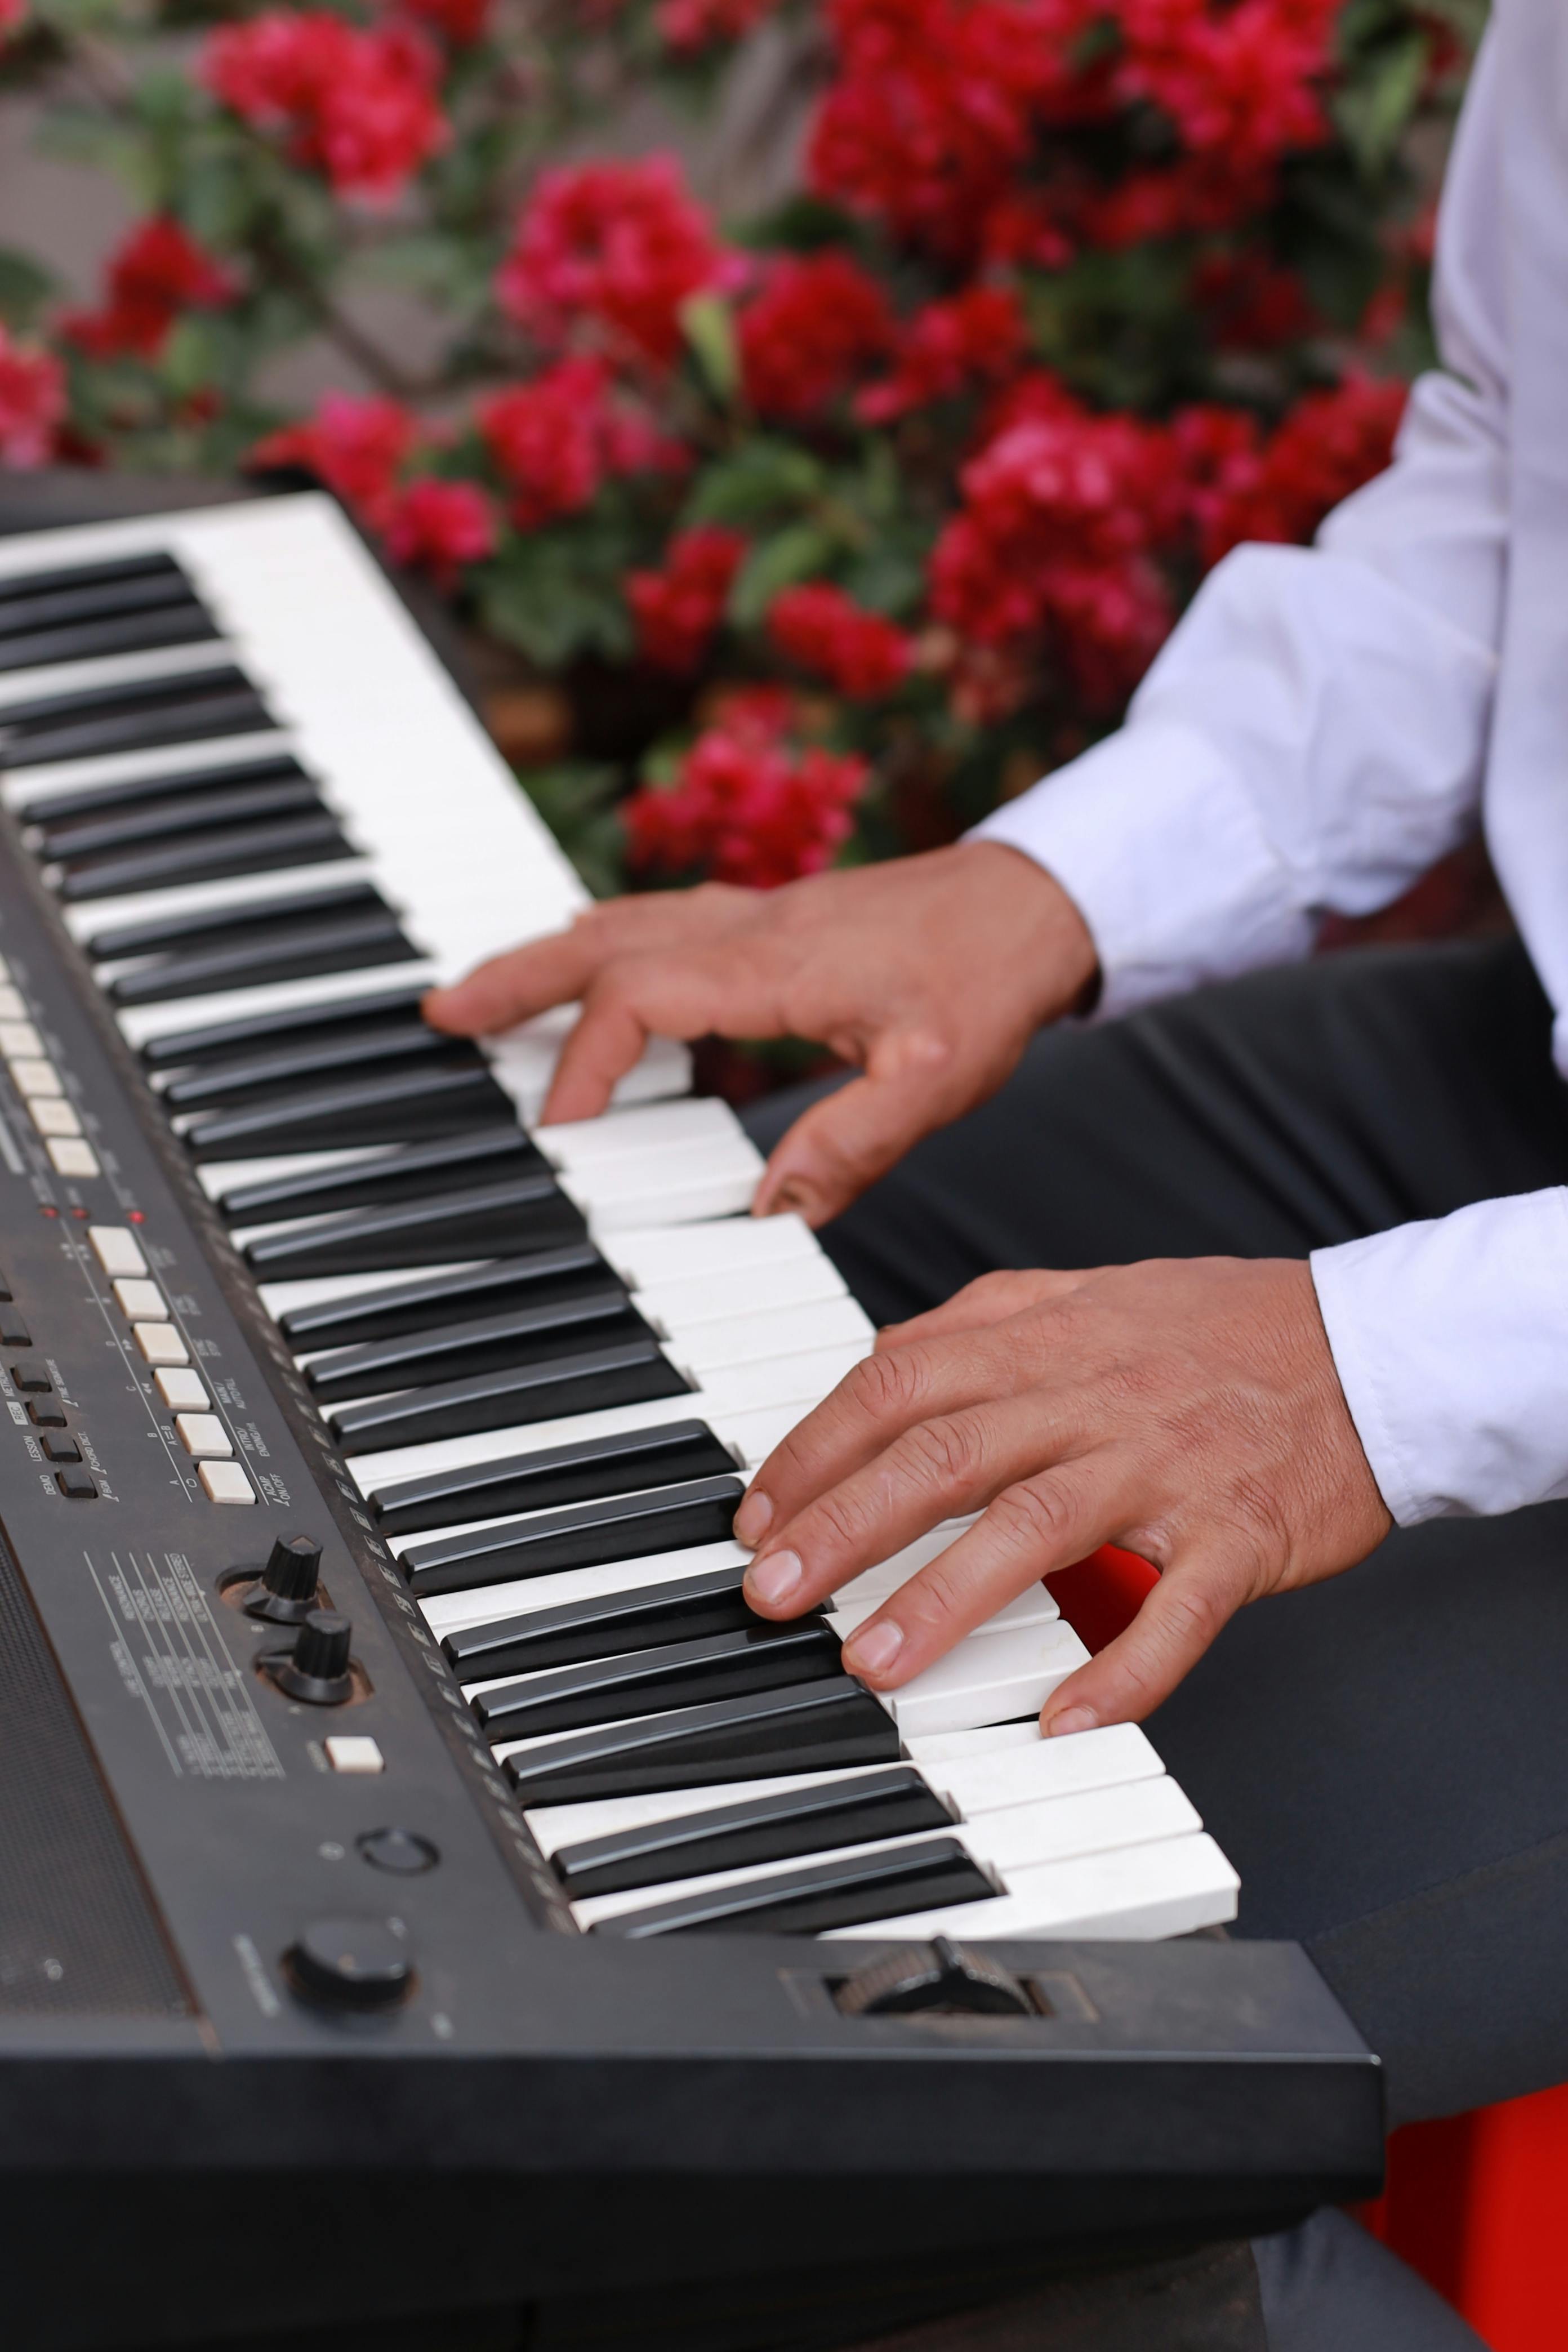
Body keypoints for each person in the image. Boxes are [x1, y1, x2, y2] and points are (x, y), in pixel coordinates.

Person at [426, 3, 1568, 2340]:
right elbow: (1517, 456)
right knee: (698, 1319)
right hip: (1514, 1075)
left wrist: (1360, 1369)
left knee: (972, 2074)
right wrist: (1051, 887)